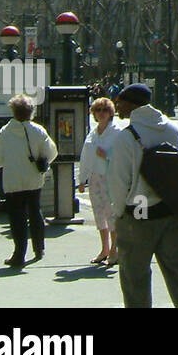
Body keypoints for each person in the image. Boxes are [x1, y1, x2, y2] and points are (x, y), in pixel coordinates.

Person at [107, 84, 178, 309]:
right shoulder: (171, 129)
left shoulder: (127, 137)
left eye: (120, 101)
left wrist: (119, 214)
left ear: (131, 104)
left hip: (141, 209)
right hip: (173, 207)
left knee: (135, 276)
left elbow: (118, 183)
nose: (117, 106)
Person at [0, 94, 56, 269]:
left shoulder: (4, 133)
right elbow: (50, 153)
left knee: (17, 217)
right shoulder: (38, 130)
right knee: (35, 211)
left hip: (13, 180)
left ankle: (19, 254)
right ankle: (39, 248)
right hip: (33, 178)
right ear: (31, 111)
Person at [76, 97, 123, 265]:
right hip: (95, 177)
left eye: (104, 110)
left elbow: (123, 155)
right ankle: (104, 249)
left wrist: (108, 155)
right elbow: (85, 157)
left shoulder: (117, 132)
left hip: (110, 177)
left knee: (111, 214)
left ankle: (114, 251)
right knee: (99, 214)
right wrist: (82, 179)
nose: (101, 114)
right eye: (98, 110)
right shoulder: (93, 133)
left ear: (111, 112)